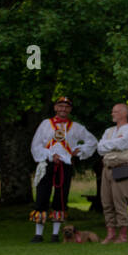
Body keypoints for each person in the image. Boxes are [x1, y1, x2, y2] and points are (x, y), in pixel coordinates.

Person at [29, 96, 97, 243]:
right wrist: (49, 155)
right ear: (55, 108)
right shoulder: (45, 124)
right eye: (60, 106)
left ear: (70, 109)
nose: (63, 109)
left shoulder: (77, 127)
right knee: (42, 197)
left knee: (61, 198)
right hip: (47, 164)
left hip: (65, 166)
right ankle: (38, 234)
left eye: (66, 107)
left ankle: (55, 234)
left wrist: (78, 151)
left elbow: (92, 142)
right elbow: (36, 145)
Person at [96, 103, 128, 243]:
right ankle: (110, 233)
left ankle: (123, 234)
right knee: (106, 201)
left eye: (115, 111)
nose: (112, 114)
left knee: (120, 201)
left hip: (121, 167)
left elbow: (122, 144)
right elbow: (99, 148)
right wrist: (113, 143)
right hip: (106, 168)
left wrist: (108, 144)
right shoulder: (109, 130)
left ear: (124, 113)